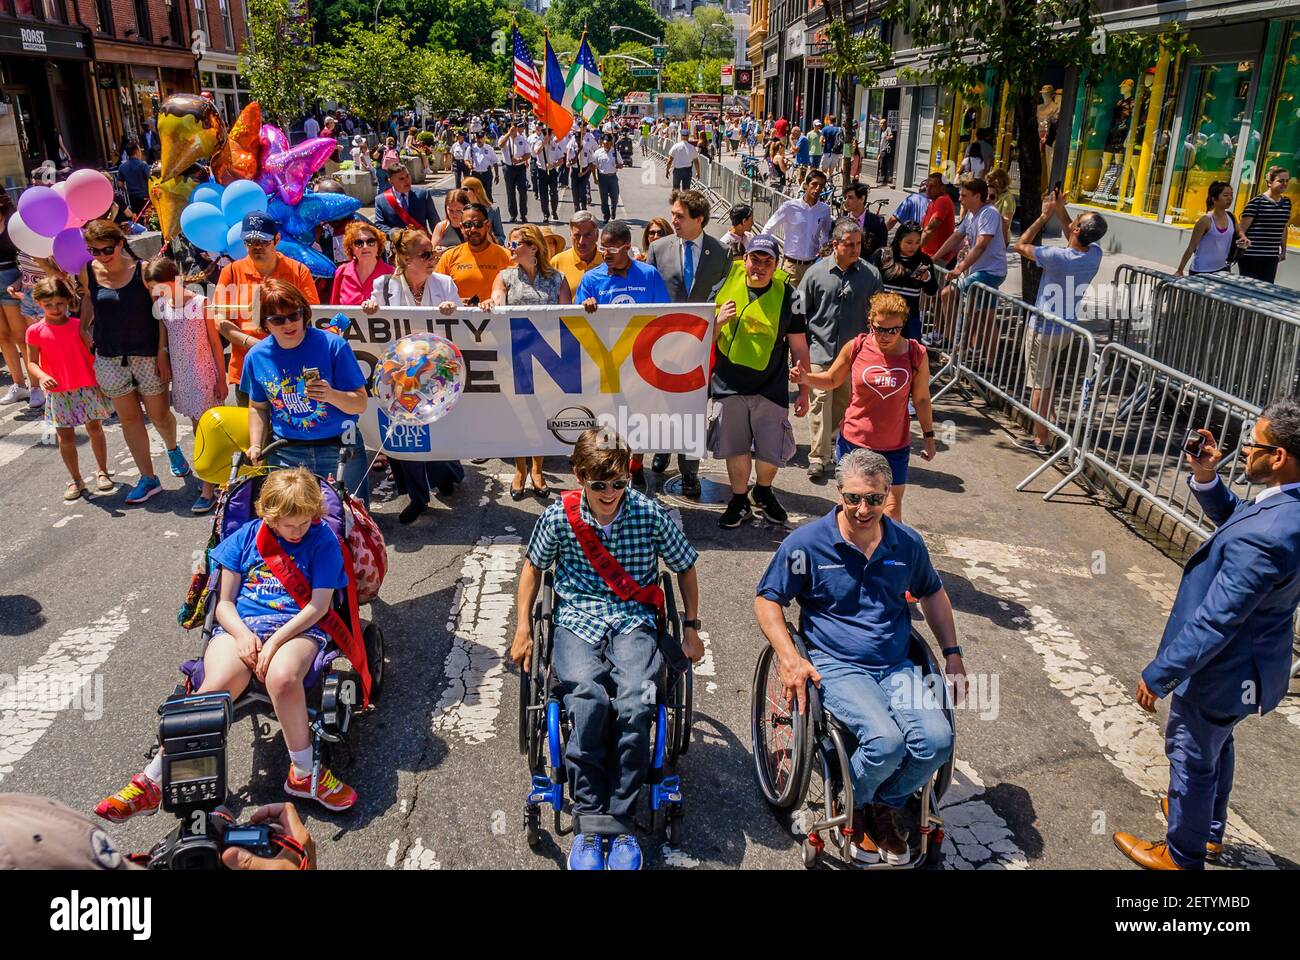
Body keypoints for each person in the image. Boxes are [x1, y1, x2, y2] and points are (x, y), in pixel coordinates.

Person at [96, 468, 360, 822]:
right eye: (288, 525)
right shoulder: (246, 537)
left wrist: (275, 641)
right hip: (242, 627)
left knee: (282, 677)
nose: (297, 532)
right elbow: (223, 604)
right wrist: (243, 636)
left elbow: (319, 606)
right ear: (268, 514)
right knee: (215, 686)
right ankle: (153, 780)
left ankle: (302, 772)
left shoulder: (322, 539)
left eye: (303, 524)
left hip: (296, 628)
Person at [1114, 397, 1300, 870]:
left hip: (1221, 668)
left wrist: (1161, 672)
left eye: (1251, 444)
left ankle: (1182, 853)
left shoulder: (1271, 534)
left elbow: (1218, 619)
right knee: (1218, 744)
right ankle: (1209, 831)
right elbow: (1243, 521)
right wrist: (1205, 478)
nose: (1243, 452)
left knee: (1192, 754)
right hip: (1252, 669)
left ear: (1277, 456)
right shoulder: (1285, 509)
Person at [754, 447, 962, 865]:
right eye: (853, 498)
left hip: (895, 663)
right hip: (835, 663)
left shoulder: (907, 544)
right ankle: (854, 803)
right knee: (886, 743)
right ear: (839, 494)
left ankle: (877, 801)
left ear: (888, 495)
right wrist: (790, 657)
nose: (862, 508)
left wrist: (952, 653)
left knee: (937, 741)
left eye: (873, 498)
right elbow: (767, 600)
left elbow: (933, 593)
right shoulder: (808, 544)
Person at [509, 428, 703, 870]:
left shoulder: (649, 514)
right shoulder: (560, 517)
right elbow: (532, 569)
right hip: (578, 618)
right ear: (580, 477)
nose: (611, 493)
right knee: (587, 698)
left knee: (637, 701)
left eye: (619, 482)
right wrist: (523, 627)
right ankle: (590, 817)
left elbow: (686, 567)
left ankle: (618, 820)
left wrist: (691, 627)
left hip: (633, 620)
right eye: (599, 485)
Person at [792, 292, 936, 521]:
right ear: (870, 322)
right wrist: (805, 378)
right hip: (854, 442)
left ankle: (885, 555)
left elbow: (921, 399)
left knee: (890, 509)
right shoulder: (856, 347)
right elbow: (831, 379)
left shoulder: (915, 353)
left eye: (894, 330)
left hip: (894, 446)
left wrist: (929, 436)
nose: (886, 336)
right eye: (880, 328)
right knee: (851, 507)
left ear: (903, 326)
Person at [78, 218, 186, 504]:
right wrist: (83, 326)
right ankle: (148, 478)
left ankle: (172, 447)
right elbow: (89, 298)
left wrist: (163, 352)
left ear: (121, 243)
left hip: (147, 354)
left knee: (160, 416)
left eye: (106, 248)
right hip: (110, 356)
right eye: (94, 250)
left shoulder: (142, 271)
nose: (101, 255)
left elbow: (161, 314)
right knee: (129, 419)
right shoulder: (88, 271)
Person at [363, 228, 464, 524]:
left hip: (438, 375)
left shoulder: (444, 283)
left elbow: (463, 323)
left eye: (433, 252)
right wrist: (369, 308)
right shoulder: (383, 286)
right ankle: (418, 497)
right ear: (405, 259)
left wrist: (452, 310)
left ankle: (446, 475)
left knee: (442, 430)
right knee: (406, 437)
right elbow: (371, 319)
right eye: (425, 254)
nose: (433, 258)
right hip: (400, 378)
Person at [240, 280, 370, 511]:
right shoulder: (256, 356)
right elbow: (257, 406)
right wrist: (256, 445)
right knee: (291, 526)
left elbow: (359, 404)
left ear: (304, 312)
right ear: (264, 323)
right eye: (278, 319)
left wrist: (331, 395)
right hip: (286, 452)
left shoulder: (333, 346)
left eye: (294, 315)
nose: (289, 324)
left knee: (350, 524)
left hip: (340, 447)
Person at [710, 234, 810, 529]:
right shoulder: (722, 288)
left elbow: (800, 346)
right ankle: (739, 500)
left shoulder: (792, 298)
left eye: (768, 261)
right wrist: (717, 323)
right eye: (755, 259)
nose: (760, 267)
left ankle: (763, 491)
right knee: (735, 447)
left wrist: (804, 390)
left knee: (771, 451)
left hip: (771, 386)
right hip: (729, 385)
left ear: (777, 264)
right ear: (745, 259)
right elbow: (703, 340)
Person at [644, 189, 730, 496]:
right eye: (674, 215)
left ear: (699, 219)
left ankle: (689, 471)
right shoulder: (659, 248)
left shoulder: (721, 253)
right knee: (664, 407)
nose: (674, 221)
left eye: (680, 216)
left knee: (693, 411)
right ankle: (663, 449)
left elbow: (721, 297)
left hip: (700, 348)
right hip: (663, 348)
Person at [1009, 191, 1106, 455]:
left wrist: (1043, 216)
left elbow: (1020, 245)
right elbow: (1072, 233)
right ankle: (1050, 424)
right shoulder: (1094, 254)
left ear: (1076, 229)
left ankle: (1042, 440)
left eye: (1075, 221)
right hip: (1066, 328)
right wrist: (1060, 209)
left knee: (1039, 385)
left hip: (1042, 327)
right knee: (1048, 380)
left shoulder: (1056, 256)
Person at [488, 224, 573, 501]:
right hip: (515, 355)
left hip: (548, 357)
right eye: (510, 244)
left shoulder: (557, 279)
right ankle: (520, 469)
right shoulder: (505, 277)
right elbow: (498, 300)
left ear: (533, 248)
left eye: (515, 244)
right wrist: (491, 303)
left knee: (542, 413)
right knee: (520, 413)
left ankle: (538, 469)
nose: (510, 249)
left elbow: (567, 316)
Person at [798, 218, 882, 480]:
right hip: (819, 352)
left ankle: (834, 448)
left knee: (843, 405)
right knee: (820, 404)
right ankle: (818, 458)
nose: (856, 249)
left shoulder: (871, 275)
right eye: (850, 244)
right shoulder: (815, 273)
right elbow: (799, 312)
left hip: (852, 357)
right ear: (835, 244)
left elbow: (877, 315)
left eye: (859, 244)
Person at [212, 213, 320, 406]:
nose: (257, 246)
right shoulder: (231, 272)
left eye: (263, 240)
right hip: (248, 368)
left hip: (292, 367)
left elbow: (311, 317)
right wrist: (252, 342)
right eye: (250, 241)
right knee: (253, 433)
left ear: (277, 240)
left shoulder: (298, 271)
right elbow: (220, 320)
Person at [145, 257, 225, 512]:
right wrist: (163, 355)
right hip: (183, 376)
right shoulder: (161, 305)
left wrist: (221, 379)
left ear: (177, 279)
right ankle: (216, 477)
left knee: (207, 429)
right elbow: (164, 335)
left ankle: (209, 487)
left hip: (204, 374)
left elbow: (215, 343)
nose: (161, 292)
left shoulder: (201, 303)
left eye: (164, 286)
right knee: (197, 427)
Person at [25, 277, 114, 502]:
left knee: (95, 429)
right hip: (59, 392)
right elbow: (31, 362)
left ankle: (102, 470)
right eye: (48, 305)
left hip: (87, 387)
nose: (55, 309)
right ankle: (76, 479)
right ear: (38, 303)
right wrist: (42, 376)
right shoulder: (34, 331)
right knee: (65, 438)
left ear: (67, 302)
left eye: (60, 304)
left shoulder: (79, 327)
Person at [933, 177, 1008, 357]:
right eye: (960, 194)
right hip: (980, 271)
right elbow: (956, 237)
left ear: (977, 196)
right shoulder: (971, 214)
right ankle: (977, 355)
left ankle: (954, 342)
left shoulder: (989, 213)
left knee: (954, 297)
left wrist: (960, 268)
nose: (960, 199)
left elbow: (982, 245)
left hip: (990, 271)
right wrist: (933, 258)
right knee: (985, 316)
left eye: (964, 195)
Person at [576, 220, 670, 310]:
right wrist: (584, 307)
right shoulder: (590, 279)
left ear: (627, 247)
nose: (606, 254)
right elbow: (577, 317)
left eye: (612, 250)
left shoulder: (649, 274)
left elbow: (663, 313)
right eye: (603, 248)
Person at [0, 187, 39, 406]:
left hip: (11, 279)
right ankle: (18, 385)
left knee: (20, 335)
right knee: (2, 336)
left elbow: (25, 253)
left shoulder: (13, 221)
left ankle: (35, 386)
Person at [761, 167, 832, 285]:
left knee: (808, 302)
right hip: (791, 266)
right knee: (789, 301)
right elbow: (768, 228)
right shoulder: (789, 207)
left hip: (812, 266)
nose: (817, 189)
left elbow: (825, 233)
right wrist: (766, 253)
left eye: (821, 186)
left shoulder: (824, 210)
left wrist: (823, 249)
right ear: (806, 185)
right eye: (814, 184)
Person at [435, 202, 513, 305]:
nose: (473, 229)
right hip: (459, 318)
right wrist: (457, 301)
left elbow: (516, 292)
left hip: (496, 318)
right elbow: (436, 290)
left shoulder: (506, 256)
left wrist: (494, 301)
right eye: (467, 225)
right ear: (461, 227)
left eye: (478, 224)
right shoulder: (449, 257)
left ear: (488, 225)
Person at [873, 221, 937, 342]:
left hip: (910, 317)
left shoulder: (924, 260)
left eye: (917, 242)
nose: (913, 246)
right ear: (898, 240)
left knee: (913, 352)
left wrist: (927, 278)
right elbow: (870, 282)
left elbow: (932, 290)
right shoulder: (882, 256)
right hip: (883, 315)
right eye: (909, 242)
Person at [1236, 166, 1291, 283]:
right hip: (1251, 256)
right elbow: (1241, 230)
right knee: (1249, 290)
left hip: (1271, 256)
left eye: (1287, 181)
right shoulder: (1256, 202)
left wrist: (1284, 250)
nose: (1284, 184)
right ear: (1269, 182)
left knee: (1266, 290)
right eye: (1280, 181)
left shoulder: (1286, 203)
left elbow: (1283, 227)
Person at [1175, 181, 1237, 277]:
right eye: (1225, 195)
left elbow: (1239, 231)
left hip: (1222, 269)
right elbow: (1191, 247)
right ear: (1214, 199)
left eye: (1231, 195)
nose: (1230, 198)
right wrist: (1180, 270)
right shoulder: (1205, 221)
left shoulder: (1231, 217)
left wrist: (1243, 238)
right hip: (1201, 270)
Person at [329, 221, 395, 305]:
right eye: (359, 243)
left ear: (378, 246)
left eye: (370, 241)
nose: (365, 246)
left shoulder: (392, 273)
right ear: (351, 248)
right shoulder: (341, 272)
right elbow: (334, 309)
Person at [374, 164, 439, 235]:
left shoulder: (423, 194)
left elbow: (434, 222)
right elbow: (379, 224)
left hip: (422, 242)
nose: (407, 180)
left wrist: (438, 241)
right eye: (401, 179)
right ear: (391, 181)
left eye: (407, 176)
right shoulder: (381, 200)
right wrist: (396, 234)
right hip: (398, 244)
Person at [553, 211, 601, 291]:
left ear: (597, 235)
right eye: (577, 236)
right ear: (570, 235)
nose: (581, 242)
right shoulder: (557, 263)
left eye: (587, 235)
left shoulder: (608, 263)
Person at [842, 181, 888, 259]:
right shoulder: (839, 223)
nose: (846, 201)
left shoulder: (877, 223)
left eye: (850, 197)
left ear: (862, 199)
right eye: (845, 198)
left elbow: (881, 252)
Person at [918, 173, 956, 266]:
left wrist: (915, 249)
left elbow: (931, 229)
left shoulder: (942, 200)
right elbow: (923, 226)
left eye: (932, 186)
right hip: (928, 254)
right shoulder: (933, 201)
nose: (928, 189)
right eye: (927, 186)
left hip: (936, 257)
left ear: (942, 188)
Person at [498, 121, 532, 223]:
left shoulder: (522, 139)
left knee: (522, 191)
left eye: (515, 128)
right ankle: (513, 214)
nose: (514, 130)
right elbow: (500, 145)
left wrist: (520, 159)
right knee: (510, 191)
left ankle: (523, 214)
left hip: (520, 168)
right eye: (512, 128)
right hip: (508, 168)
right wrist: (508, 134)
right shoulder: (504, 139)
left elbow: (528, 153)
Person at [460, 176, 507, 245]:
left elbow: (501, 237)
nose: (462, 192)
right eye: (461, 189)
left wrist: (491, 239)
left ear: (476, 191)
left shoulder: (493, 210)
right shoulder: (460, 210)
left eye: (465, 189)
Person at [536, 130, 567, 223]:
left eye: (549, 135)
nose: (549, 137)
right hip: (542, 172)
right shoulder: (539, 143)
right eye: (546, 135)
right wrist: (543, 144)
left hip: (552, 172)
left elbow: (561, 160)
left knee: (553, 193)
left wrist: (553, 165)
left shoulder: (554, 145)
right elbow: (536, 152)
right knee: (543, 195)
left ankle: (554, 211)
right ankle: (546, 214)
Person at [592, 133, 623, 223]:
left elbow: (621, 165)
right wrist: (594, 178)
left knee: (615, 197)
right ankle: (606, 215)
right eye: (604, 143)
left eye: (607, 143)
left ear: (611, 143)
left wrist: (619, 165)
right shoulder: (598, 153)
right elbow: (593, 166)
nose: (605, 144)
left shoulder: (615, 152)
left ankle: (613, 210)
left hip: (613, 177)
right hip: (602, 178)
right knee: (604, 199)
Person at [431, 188, 470, 258]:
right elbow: (432, 253)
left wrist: (447, 251)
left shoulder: (474, 226)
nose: (454, 214)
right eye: (450, 210)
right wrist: (436, 252)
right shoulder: (441, 227)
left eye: (458, 210)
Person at [118, 140, 151, 216]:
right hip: (145, 197)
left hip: (132, 198)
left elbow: (120, 184)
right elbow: (149, 180)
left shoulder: (122, 167)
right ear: (136, 151)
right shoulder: (143, 165)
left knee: (137, 218)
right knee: (148, 217)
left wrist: (126, 190)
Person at [987, 169, 1015, 246]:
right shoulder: (997, 194)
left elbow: (1006, 221)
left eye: (992, 184)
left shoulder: (1007, 199)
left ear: (999, 184)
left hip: (1000, 237)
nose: (989, 186)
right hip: (992, 234)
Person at [470, 131, 500, 202]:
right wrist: (469, 164)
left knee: (488, 193)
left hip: (486, 174)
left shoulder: (489, 148)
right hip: (475, 174)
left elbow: (495, 162)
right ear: (475, 138)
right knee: (475, 194)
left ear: (484, 138)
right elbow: (466, 159)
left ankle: (490, 211)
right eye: (478, 138)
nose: (479, 140)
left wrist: (497, 175)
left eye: (481, 138)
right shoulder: (471, 148)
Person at [876, 118, 895, 185]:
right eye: (880, 123)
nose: (880, 124)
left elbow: (892, 136)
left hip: (884, 150)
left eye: (881, 123)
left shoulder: (888, 129)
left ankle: (882, 180)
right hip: (881, 149)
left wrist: (888, 137)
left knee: (882, 164)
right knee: (881, 164)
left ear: (884, 123)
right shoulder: (882, 131)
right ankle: (882, 179)